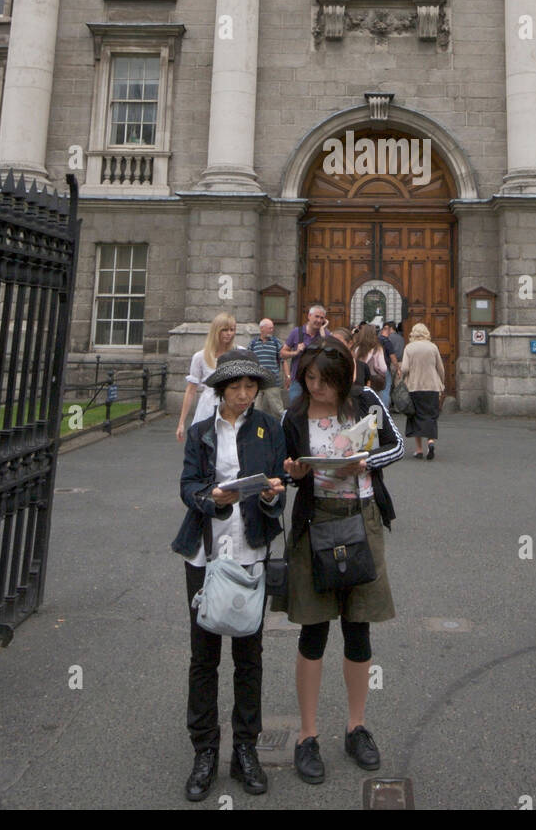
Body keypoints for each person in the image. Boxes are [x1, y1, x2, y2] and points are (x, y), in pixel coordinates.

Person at [276, 341, 403, 783]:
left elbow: (396, 445)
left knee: (357, 627)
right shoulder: (292, 416)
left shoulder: (365, 401)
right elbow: (280, 470)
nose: (317, 389)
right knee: (314, 630)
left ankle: (356, 727)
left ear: (344, 378)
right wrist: (291, 474)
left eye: (325, 381)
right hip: (316, 522)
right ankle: (307, 736)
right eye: (309, 380)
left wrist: (365, 462)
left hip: (361, 519)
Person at [171, 350, 286, 800]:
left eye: (250, 387)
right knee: (204, 656)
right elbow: (187, 486)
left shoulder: (268, 428)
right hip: (204, 554)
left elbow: (276, 484)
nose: (243, 394)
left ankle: (245, 749)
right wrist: (211, 498)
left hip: (249, 552)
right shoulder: (201, 433)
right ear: (221, 390)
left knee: (249, 655)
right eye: (235, 387)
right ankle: (203, 751)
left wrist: (273, 495)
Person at [176, 313, 242, 443]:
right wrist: (181, 422)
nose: (229, 333)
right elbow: (190, 390)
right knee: (206, 445)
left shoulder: (239, 353)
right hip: (208, 405)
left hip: (233, 403)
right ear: (216, 331)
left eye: (232, 330)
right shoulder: (200, 357)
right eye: (224, 330)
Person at [399, 322, 445, 459]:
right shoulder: (433, 347)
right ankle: (430, 442)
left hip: (414, 386)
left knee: (415, 417)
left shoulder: (409, 348)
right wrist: (441, 383)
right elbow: (440, 368)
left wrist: (402, 375)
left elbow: (405, 368)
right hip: (431, 386)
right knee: (430, 416)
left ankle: (419, 450)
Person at [280, 304, 330, 406]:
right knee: (296, 411)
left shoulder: (325, 334)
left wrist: (323, 333)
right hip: (298, 382)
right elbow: (282, 354)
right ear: (309, 316)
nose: (319, 320)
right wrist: (295, 352)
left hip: (318, 383)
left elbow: (330, 355)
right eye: (316, 316)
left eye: (322, 318)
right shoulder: (296, 332)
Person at [248, 318, 285, 419]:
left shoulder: (276, 342)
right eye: (269, 328)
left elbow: (283, 359)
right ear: (262, 329)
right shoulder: (253, 343)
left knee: (277, 410)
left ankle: (283, 429)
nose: (272, 330)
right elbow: (248, 361)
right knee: (256, 409)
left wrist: (288, 376)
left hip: (273, 382)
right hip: (257, 382)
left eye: (272, 328)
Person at [351, 323, 387, 397]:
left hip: (359, 380)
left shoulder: (356, 348)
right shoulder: (377, 348)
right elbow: (383, 368)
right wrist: (377, 368)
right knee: (373, 405)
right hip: (372, 381)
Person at [379, 320, 403, 409]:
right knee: (389, 388)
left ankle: (380, 407)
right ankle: (390, 407)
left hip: (378, 367)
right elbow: (393, 356)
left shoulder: (377, 339)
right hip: (389, 365)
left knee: (382, 388)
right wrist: (398, 368)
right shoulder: (391, 340)